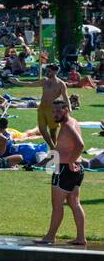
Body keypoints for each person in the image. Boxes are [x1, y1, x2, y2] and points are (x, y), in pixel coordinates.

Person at [37, 97, 87, 246]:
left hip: (65, 169)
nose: (55, 114)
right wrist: (46, 161)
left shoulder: (67, 125)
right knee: (74, 202)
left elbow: (80, 144)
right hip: (76, 169)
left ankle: (50, 237)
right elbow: (63, 148)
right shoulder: (73, 122)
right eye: (53, 111)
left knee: (57, 204)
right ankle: (80, 238)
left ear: (66, 109)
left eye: (59, 110)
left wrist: (70, 161)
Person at [37, 64, 69, 147]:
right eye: (46, 71)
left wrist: (69, 109)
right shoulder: (44, 80)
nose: (47, 72)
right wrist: (17, 82)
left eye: (49, 71)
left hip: (53, 110)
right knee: (42, 130)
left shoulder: (61, 83)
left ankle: (54, 151)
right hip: (42, 108)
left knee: (52, 132)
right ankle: (53, 148)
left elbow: (65, 97)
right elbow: (30, 84)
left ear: (55, 72)